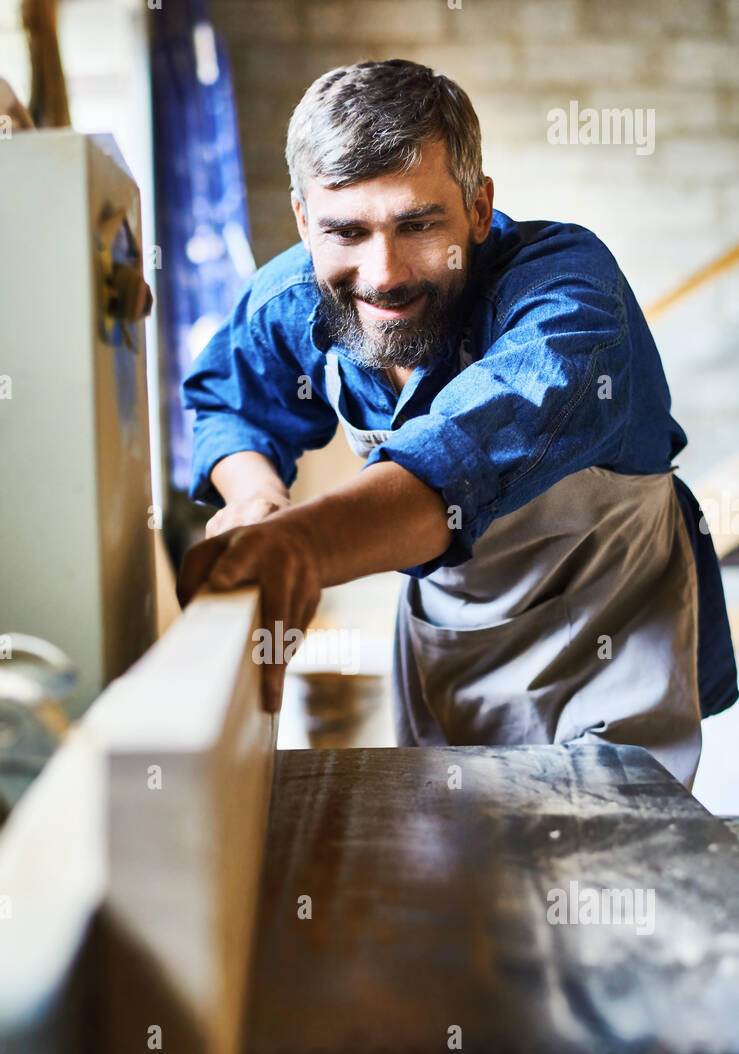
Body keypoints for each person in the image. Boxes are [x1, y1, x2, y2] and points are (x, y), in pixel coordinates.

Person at [177, 59, 737, 790]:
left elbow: (452, 465)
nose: (382, 274)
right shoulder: (295, 292)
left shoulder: (568, 296)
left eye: (417, 224)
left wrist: (299, 549)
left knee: (601, 873)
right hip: (447, 647)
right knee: (454, 863)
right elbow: (230, 402)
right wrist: (255, 502)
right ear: (302, 221)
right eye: (344, 230)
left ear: (476, 209)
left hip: (610, 646)